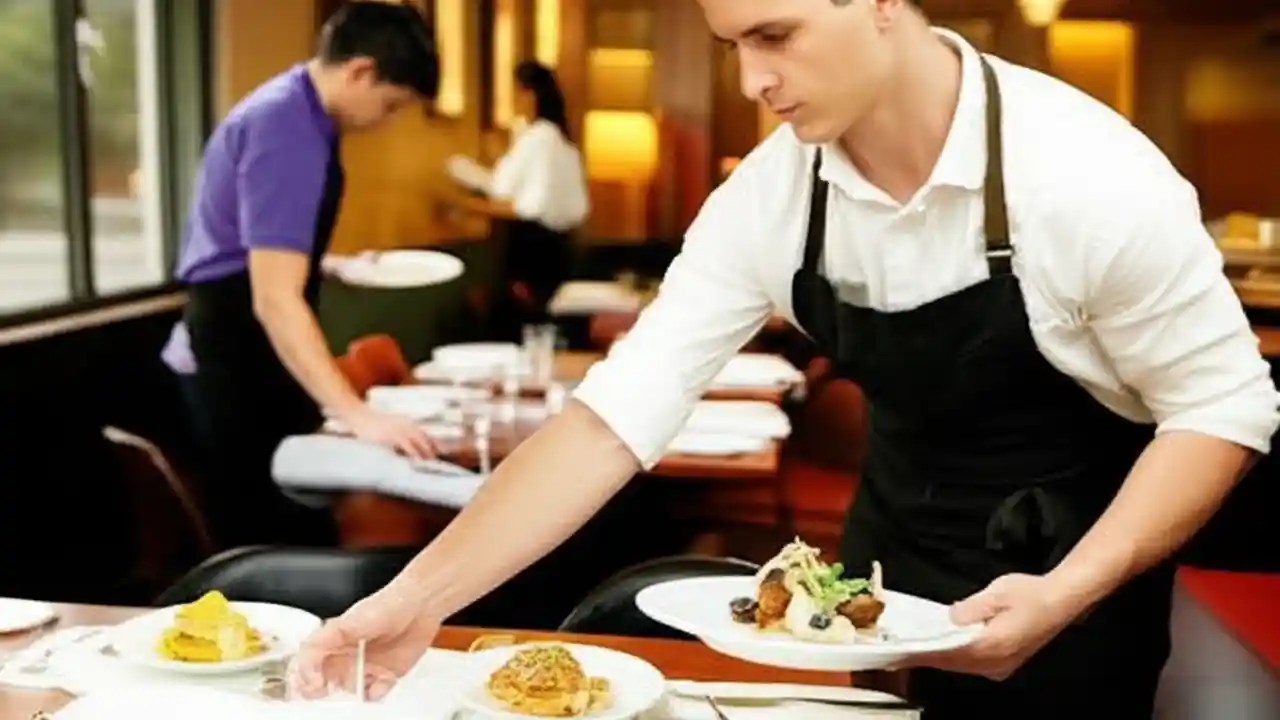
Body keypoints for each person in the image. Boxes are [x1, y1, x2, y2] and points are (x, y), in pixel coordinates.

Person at [290, 1, 1280, 716]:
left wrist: (1066, 593)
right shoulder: (766, 199)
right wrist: (414, 600)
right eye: (729, 44)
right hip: (873, 579)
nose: (749, 81)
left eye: (774, 35)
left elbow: (1222, 409)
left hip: (1076, 572)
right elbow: (610, 419)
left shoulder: (1084, 176)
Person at [161, 1, 440, 548]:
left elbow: (251, 241)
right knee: (273, 535)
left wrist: (329, 264)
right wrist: (357, 414)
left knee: (292, 516)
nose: (384, 122)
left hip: (241, 327)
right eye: (389, 105)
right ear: (360, 71)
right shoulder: (286, 128)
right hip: (237, 341)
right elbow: (274, 298)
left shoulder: (291, 108)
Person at [443, 60, 589, 339]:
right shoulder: (559, 141)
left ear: (528, 94)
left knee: (517, 331)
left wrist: (464, 205)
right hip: (560, 252)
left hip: (530, 255)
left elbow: (524, 205)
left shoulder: (538, 139)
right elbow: (506, 187)